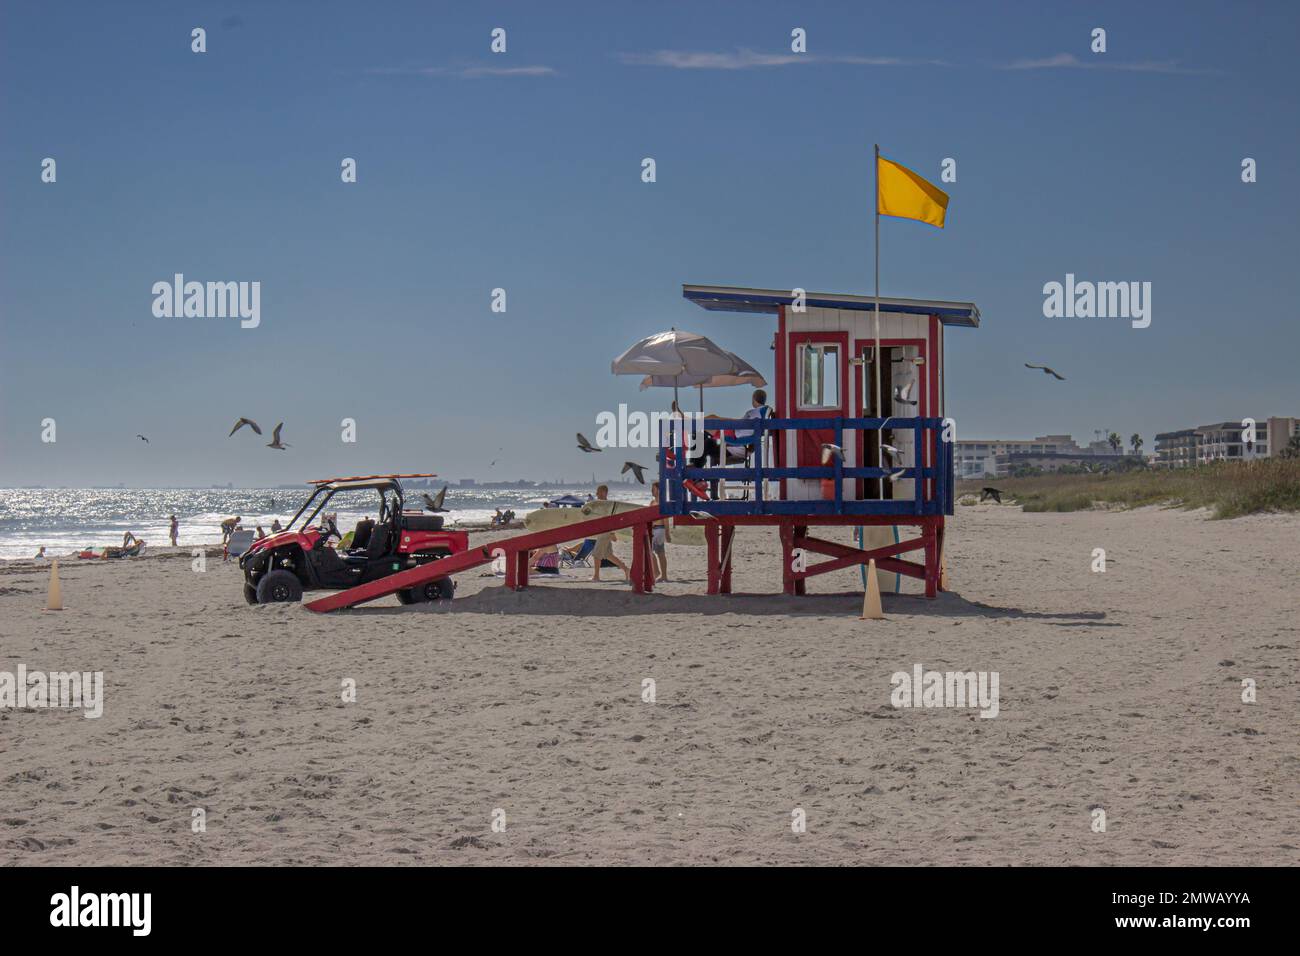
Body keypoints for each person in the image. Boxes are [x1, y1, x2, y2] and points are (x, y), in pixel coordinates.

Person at [590, 485, 630, 583]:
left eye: (598, 492)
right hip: (604, 531)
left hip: (605, 532)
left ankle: (596, 576)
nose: (596, 494)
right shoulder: (603, 504)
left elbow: (610, 520)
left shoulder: (607, 505)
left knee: (596, 554)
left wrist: (612, 533)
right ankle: (626, 569)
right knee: (608, 555)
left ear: (604, 492)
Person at [649, 481, 670, 582]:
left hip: (660, 529)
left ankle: (660, 573)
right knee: (655, 552)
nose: (651, 491)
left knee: (658, 553)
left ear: (658, 490)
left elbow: (665, 519)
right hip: (653, 530)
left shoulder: (662, 502)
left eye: (653, 489)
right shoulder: (652, 502)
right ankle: (661, 574)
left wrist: (667, 533)